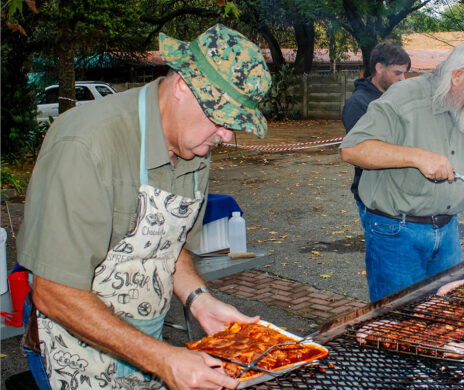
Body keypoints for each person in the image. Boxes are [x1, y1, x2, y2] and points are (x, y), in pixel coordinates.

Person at [16, 24, 273, 390]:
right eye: (222, 117)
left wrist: (200, 301)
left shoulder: (195, 147)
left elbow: (172, 246)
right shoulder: (87, 144)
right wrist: (163, 358)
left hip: (148, 351)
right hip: (73, 354)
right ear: (183, 84)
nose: (227, 135)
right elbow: (53, 291)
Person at [339, 42, 464, 301]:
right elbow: (353, 149)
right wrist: (417, 157)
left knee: (447, 317)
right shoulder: (404, 96)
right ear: (458, 76)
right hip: (397, 234)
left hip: (448, 233)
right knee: (397, 325)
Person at [341, 41, 411, 220]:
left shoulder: (398, 97)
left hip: (401, 194)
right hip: (375, 199)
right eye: (397, 73)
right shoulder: (358, 103)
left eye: (404, 73)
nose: (402, 79)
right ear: (379, 67)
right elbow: (360, 152)